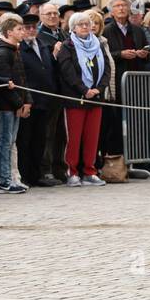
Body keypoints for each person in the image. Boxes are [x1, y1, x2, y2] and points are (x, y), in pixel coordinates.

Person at [55, 12, 110, 186]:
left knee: (92, 137)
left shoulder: (98, 44)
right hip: (75, 99)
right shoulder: (67, 46)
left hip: (95, 98)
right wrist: (84, 90)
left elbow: (107, 68)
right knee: (74, 138)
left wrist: (98, 89)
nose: (85, 27)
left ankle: (89, 170)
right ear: (73, 28)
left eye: (87, 24)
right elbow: (67, 72)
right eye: (81, 24)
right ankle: (72, 171)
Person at [16, 14, 62, 188]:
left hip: (44, 99)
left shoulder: (42, 45)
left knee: (40, 139)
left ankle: (36, 174)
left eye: (33, 27)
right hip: (28, 100)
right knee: (25, 139)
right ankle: (25, 174)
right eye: (27, 27)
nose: (30, 30)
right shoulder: (19, 48)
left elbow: (49, 68)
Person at [0, 13, 30, 195]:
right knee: (5, 142)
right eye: (19, 29)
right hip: (7, 106)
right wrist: (19, 103)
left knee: (11, 142)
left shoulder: (15, 50)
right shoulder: (3, 52)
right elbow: (5, 84)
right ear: (9, 32)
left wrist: (27, 101)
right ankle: (4, 181)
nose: (23, 32)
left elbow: (21, 79)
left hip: (17, 104)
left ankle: (12, 178)